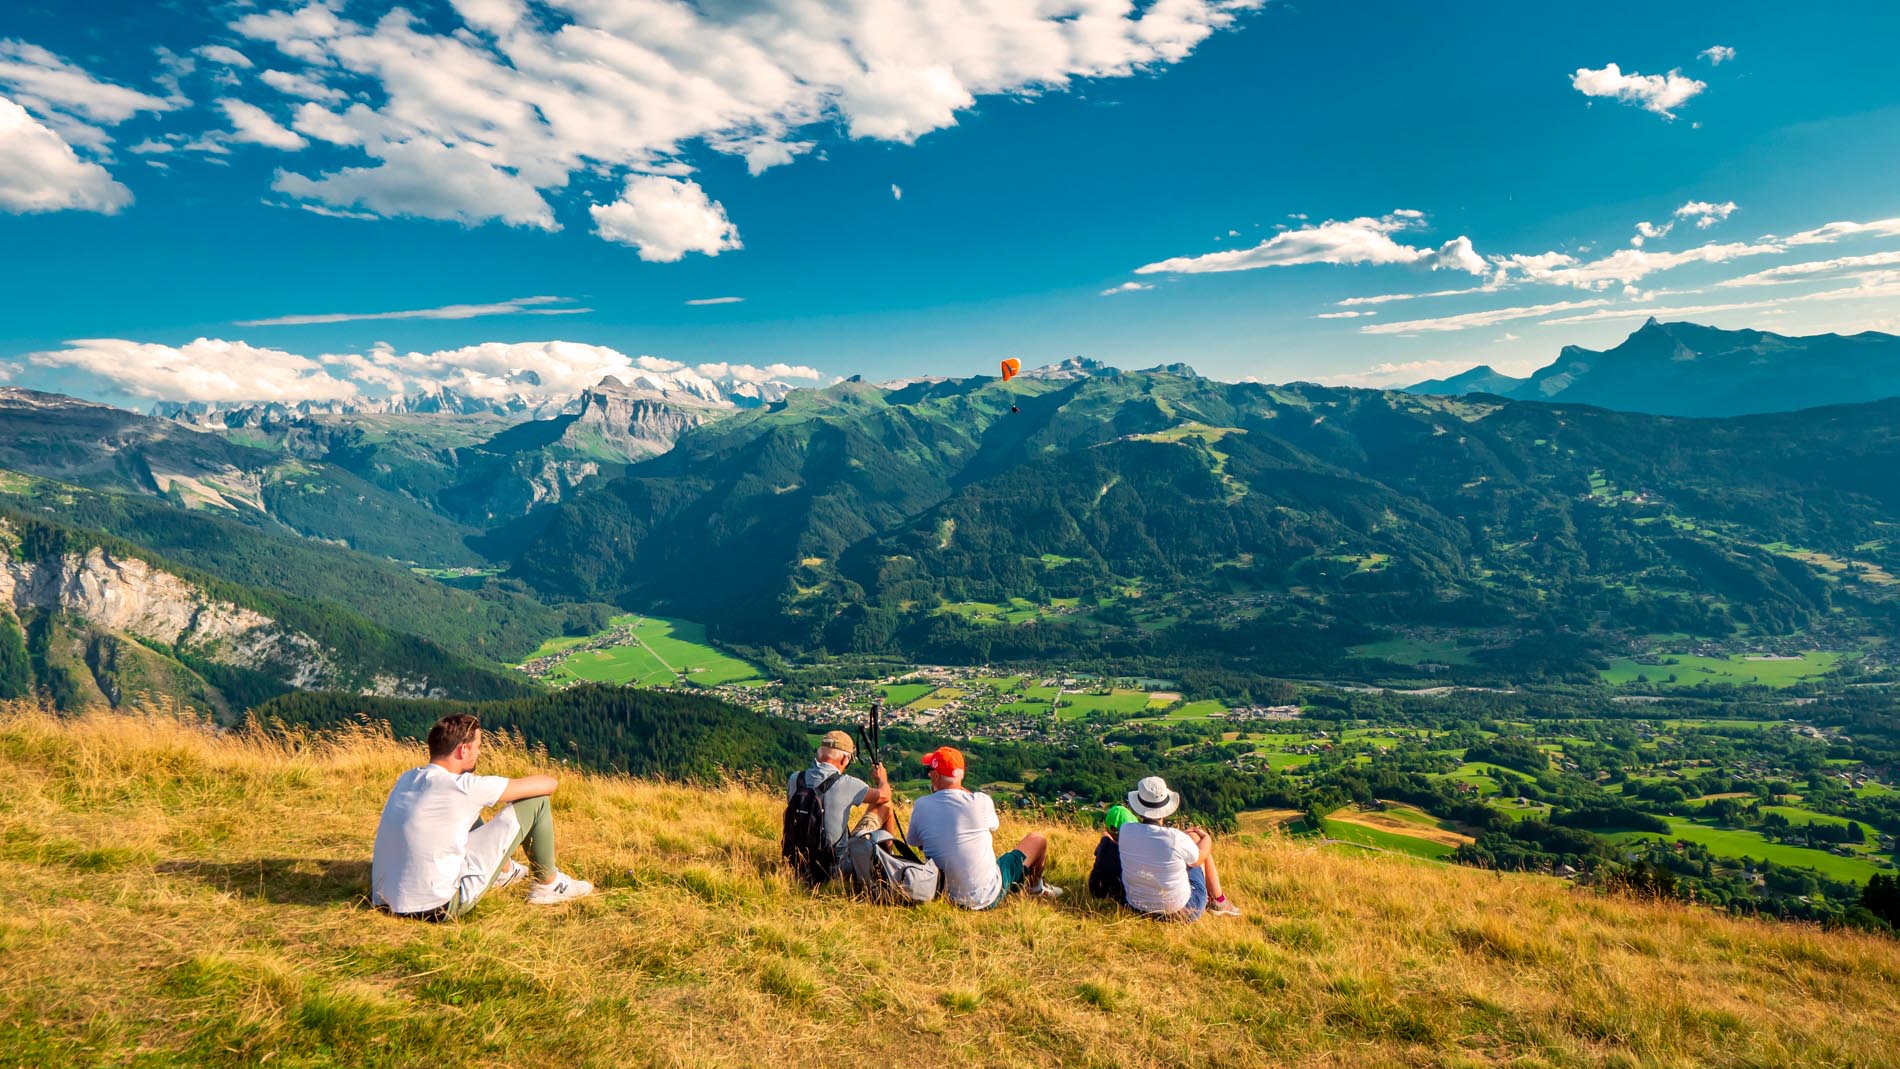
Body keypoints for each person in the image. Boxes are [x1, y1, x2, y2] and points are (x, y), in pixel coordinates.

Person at [370, 713, 593, 920]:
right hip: (437, 908)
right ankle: (548, 885)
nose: (479, 752)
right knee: (537, 802)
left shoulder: (407, 778)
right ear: (463, 750)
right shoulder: (464, 787)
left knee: (463, 814)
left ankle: (505, 872)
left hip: (383, 901)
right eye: (477, 746)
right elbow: (549, 784)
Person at [907, 746, 1063, 909]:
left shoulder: (921, 805)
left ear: (937, 775)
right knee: (1037, 840)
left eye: (930, 770)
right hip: (986, 898)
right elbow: (994, 827)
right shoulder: (981, 801)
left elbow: (914, 842)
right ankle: (1035, 888)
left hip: (941, 895)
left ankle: (1025, 887)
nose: (929, 774)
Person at [1118, 776, 1240, 921]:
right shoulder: (1175, 838)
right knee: (1196, 840)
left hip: (1135, 905)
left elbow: (1153, 844)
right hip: (1182, 912)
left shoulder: (1125, 831)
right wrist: (1206, 838)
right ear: (1165, 809)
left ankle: (1219, 902)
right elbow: (1199, 858)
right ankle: (1218, 902)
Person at [784, 729, 895, 881]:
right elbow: (884, 795)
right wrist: (882, 778)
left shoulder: (795, 779)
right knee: (885, 804)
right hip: (837, 869)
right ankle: (890, 864)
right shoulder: (847, 783)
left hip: (797, 866)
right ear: (844, 759)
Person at [1086, 803, 1137, 904]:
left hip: (1099, 891)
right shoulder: (1134, 851)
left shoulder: (1105, 845)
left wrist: (1105, 838)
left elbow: (1097, 853)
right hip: (1125, 896)